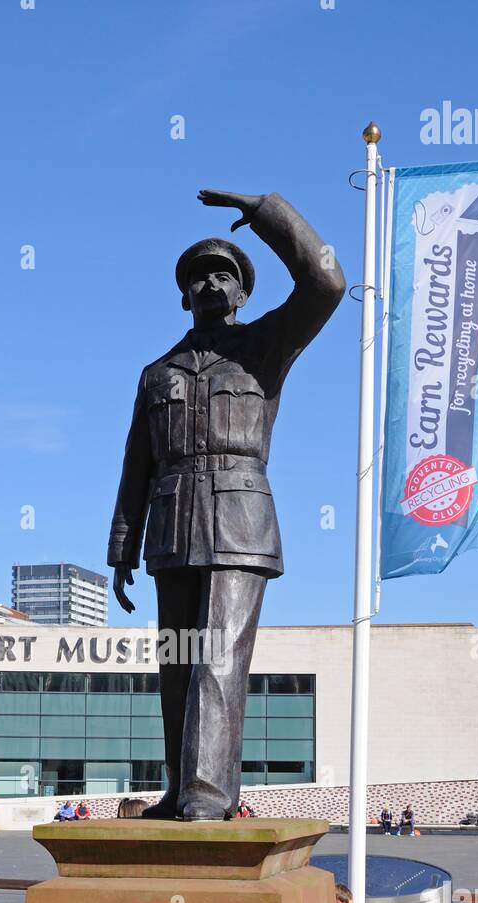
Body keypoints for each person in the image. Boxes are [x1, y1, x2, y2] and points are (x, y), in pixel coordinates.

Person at [108, 188, 345, 820]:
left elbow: (326, 281)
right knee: (179, 665)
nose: (212, 282)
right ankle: (180, 789)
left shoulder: (266, 346)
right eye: (200, 276)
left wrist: (266, 212)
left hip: (240, 522)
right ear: (184, 295)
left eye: (226, 274)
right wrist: (122, 545)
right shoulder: (157, 372)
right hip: (171, 521)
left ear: (243, 293)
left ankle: (207, 798)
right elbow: (138, 461)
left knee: (217, 657)